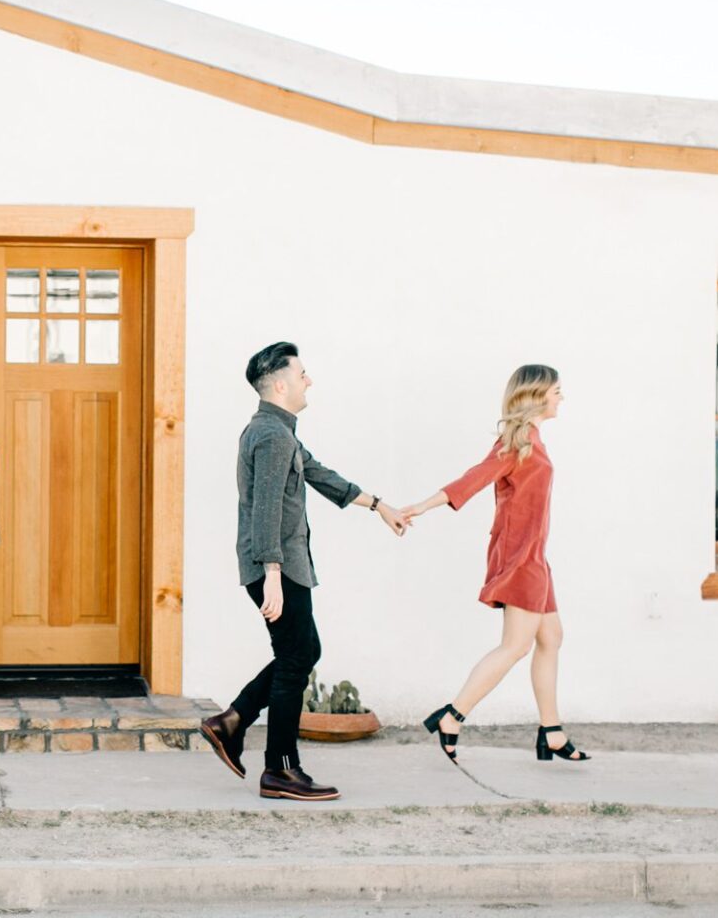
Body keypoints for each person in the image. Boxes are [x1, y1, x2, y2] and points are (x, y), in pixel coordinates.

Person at [200, 341, 409, 801]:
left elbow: (318, 474)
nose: (308, 380)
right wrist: (272, 571)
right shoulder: (272, 436)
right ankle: (279, 768)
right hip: (278, 565)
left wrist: (377, 505)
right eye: (302, 374)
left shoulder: (279, 432)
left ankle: (232, 721)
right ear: (279, 383)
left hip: (281, 563)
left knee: (301, 651)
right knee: (297, 657)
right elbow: (266, 509)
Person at [399, 364, 590, 766]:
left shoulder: (533, 439)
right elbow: (473, 479)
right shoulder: (515, 443)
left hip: (536, 554)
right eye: (556, 390)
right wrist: (421, 505)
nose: (561, 397)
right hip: (521, 557)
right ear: (537, 394)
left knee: (551, 637)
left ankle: (551, 732)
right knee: (515, 646)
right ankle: (452, 717)